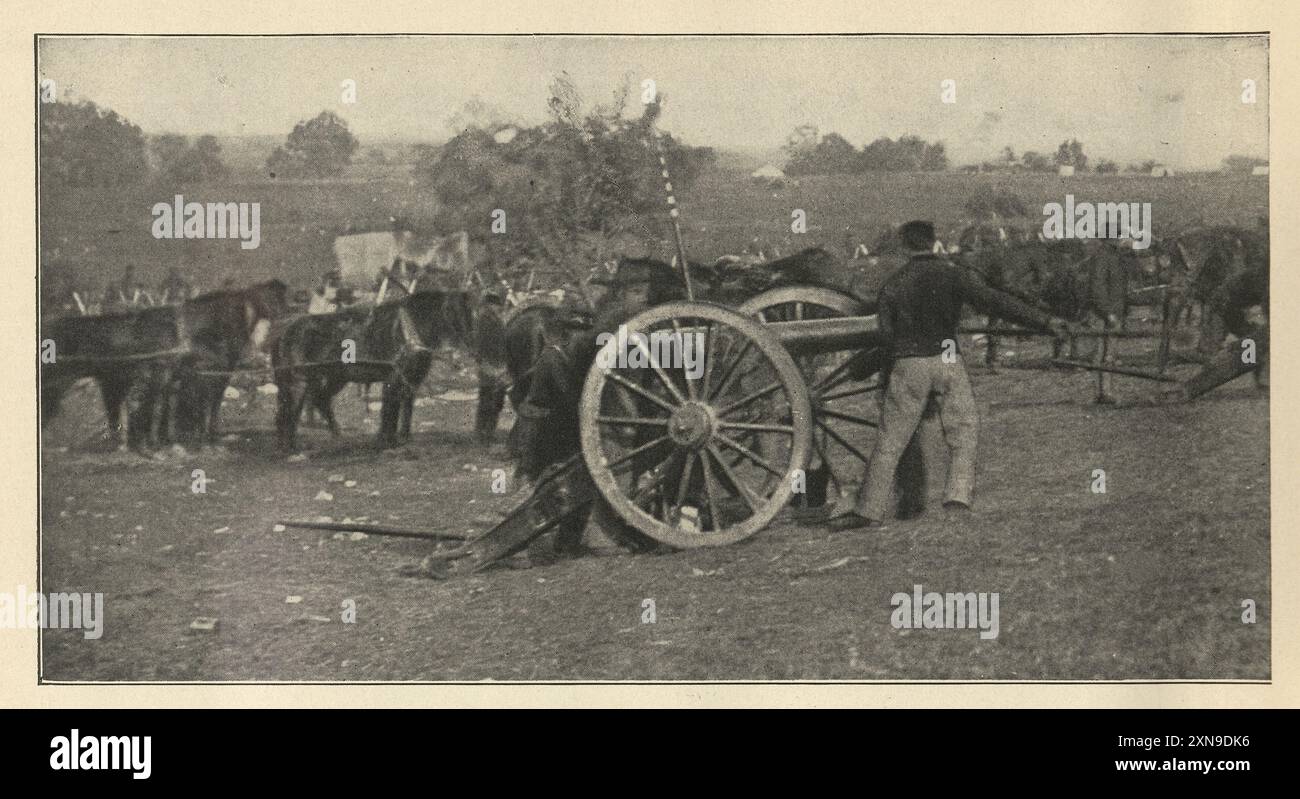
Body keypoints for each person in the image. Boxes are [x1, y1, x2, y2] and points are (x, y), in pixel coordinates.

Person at [828, 220, 1069, 531]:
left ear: (904, 246)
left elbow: (886, 339)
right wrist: (1045, 321)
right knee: (965, 429)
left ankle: (868, 510)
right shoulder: (953, 275)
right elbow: (996, 301)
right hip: (947, 357)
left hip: (908, 363)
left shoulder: (894, 284)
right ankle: (957, 496)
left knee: (890, 441)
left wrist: (861, 368)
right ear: (933, 242)